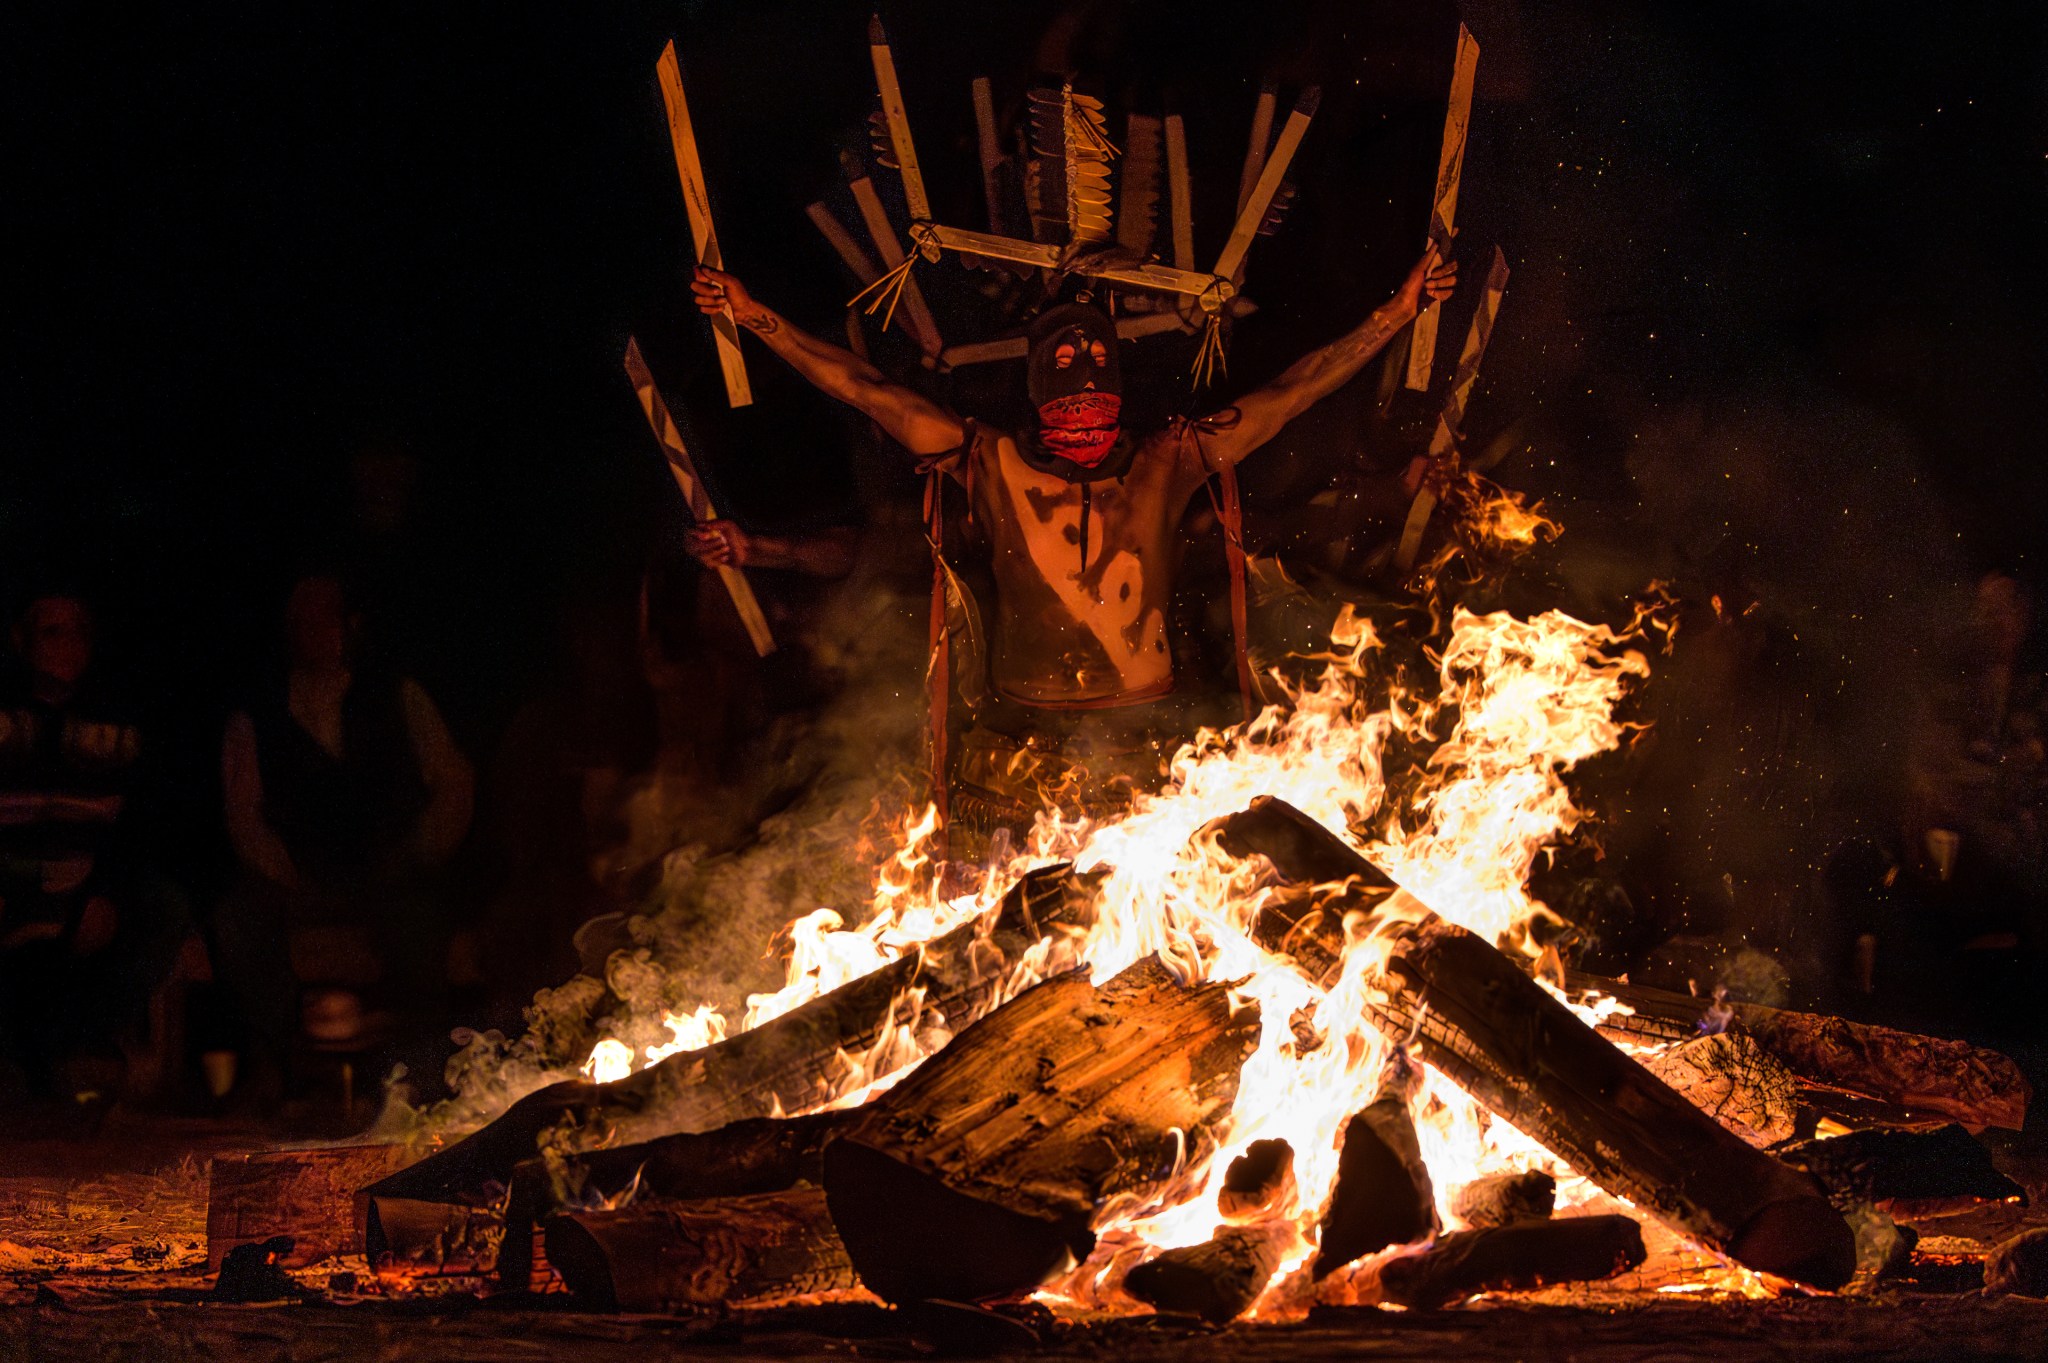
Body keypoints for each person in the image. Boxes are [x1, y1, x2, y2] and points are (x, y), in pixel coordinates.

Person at [690, 248, 1456, 832]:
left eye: (1097, 358)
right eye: (1063, 361)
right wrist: (756, 316)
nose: (1084, 373)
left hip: (1147, 741)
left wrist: (1398, 312)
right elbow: (865, 388)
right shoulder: (986, 463)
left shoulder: (1170, 461)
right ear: (1035, 383)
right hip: (1020, 742)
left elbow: (1295, 391)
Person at [212, 573, 473, 1095]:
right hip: (298, 877)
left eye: (323, 617)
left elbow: (452, 781)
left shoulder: (398, 697)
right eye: (300, 620)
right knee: (238, 920)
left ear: (350, 625)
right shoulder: (257, 717)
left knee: (419, 916)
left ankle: (420, 1069)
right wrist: (286, 875)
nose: (312, 630)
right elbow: (244, 816)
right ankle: (278, 1063)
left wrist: (420, 851)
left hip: (388, 872)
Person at [0, 593, 197, 1101]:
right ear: (20, 640)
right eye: (52, 632)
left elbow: (140, 823)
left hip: (84, 887)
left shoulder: (117, 723)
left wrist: (104, 891)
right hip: (13, 888)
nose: (69, 644)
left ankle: (67, 1049)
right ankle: (30, 1057)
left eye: (79, 631)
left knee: (163, 906)